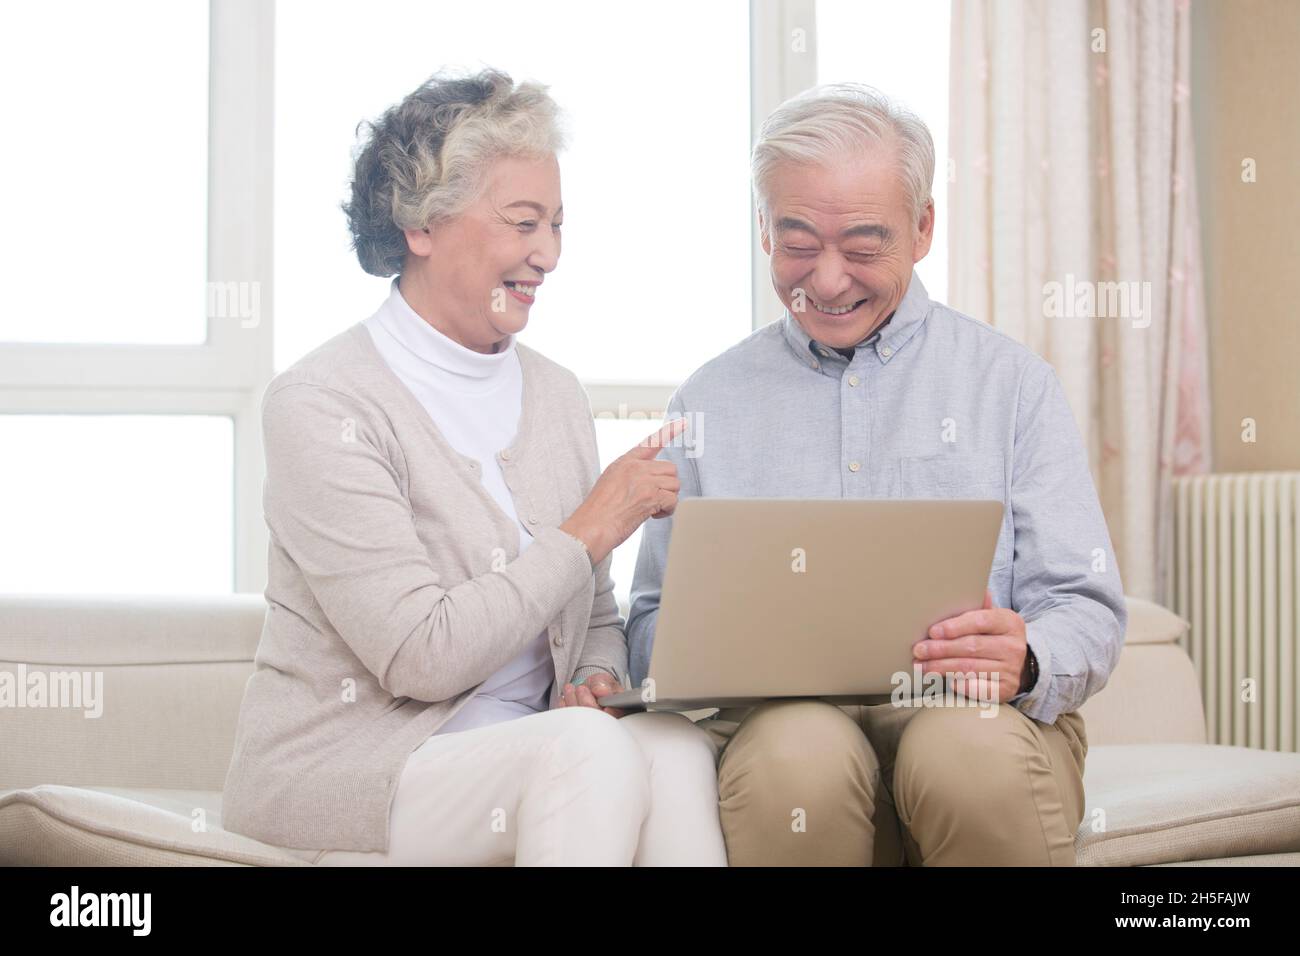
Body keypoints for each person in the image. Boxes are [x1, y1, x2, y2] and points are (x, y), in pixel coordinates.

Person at [221, 69, 726, 866]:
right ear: (422, 224)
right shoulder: (322, 405)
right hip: (355, 770)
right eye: (524, 222)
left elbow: (591, 614)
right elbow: (422, 655)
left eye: (558, 224)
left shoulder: (555, 394)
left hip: (526, 749)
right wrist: (594, 523)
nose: (550, 254)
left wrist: (593, 679)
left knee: (673, 749)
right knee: (583, 755)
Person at [627, 83, 1127, 866]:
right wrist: (695, 648)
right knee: (797, 760)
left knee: (965, 757)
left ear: (923, 228)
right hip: (783, 722)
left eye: (863, 248)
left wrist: (1026, 656)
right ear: (762, 228)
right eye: (797, 244)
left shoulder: (1011, 383)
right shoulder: (710, 399)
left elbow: (1087, 604)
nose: (827, 282)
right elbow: (650, 624)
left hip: (973, 717)